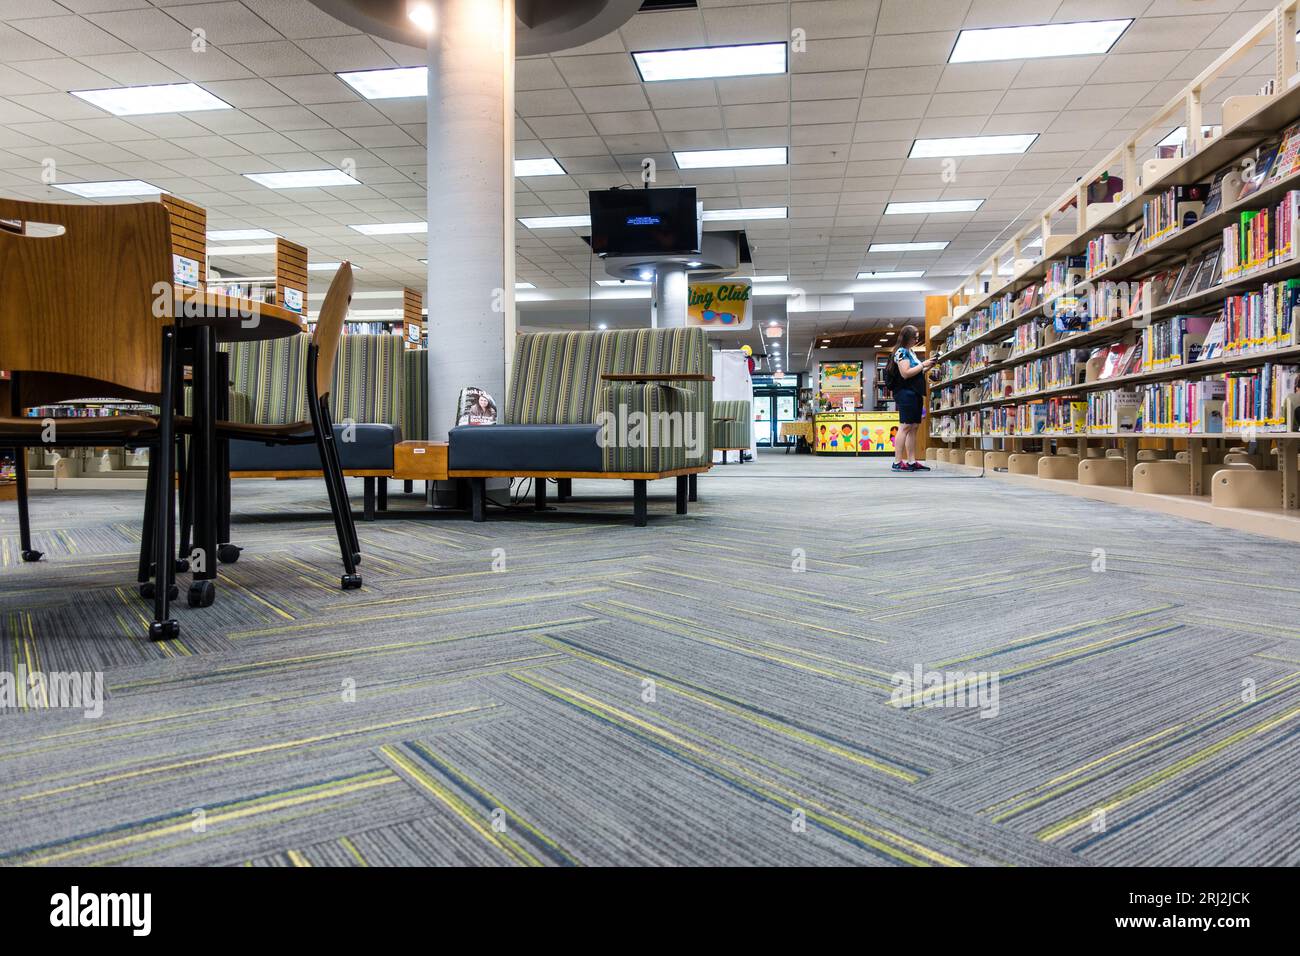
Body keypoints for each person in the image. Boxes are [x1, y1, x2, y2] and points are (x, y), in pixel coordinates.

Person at [888, 325, 936, 472]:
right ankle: (897, 461)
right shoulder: (901, 352)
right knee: (905, 426)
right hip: (905, 393)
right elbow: (906, 373)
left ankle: (911, 461)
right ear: (906, 337)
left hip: (914, 392)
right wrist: (923, 364)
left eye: (917, 336)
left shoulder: (911, 352)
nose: (916, 339)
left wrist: (928, 366)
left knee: (914, 427)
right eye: (914, 336)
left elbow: (916, 372)